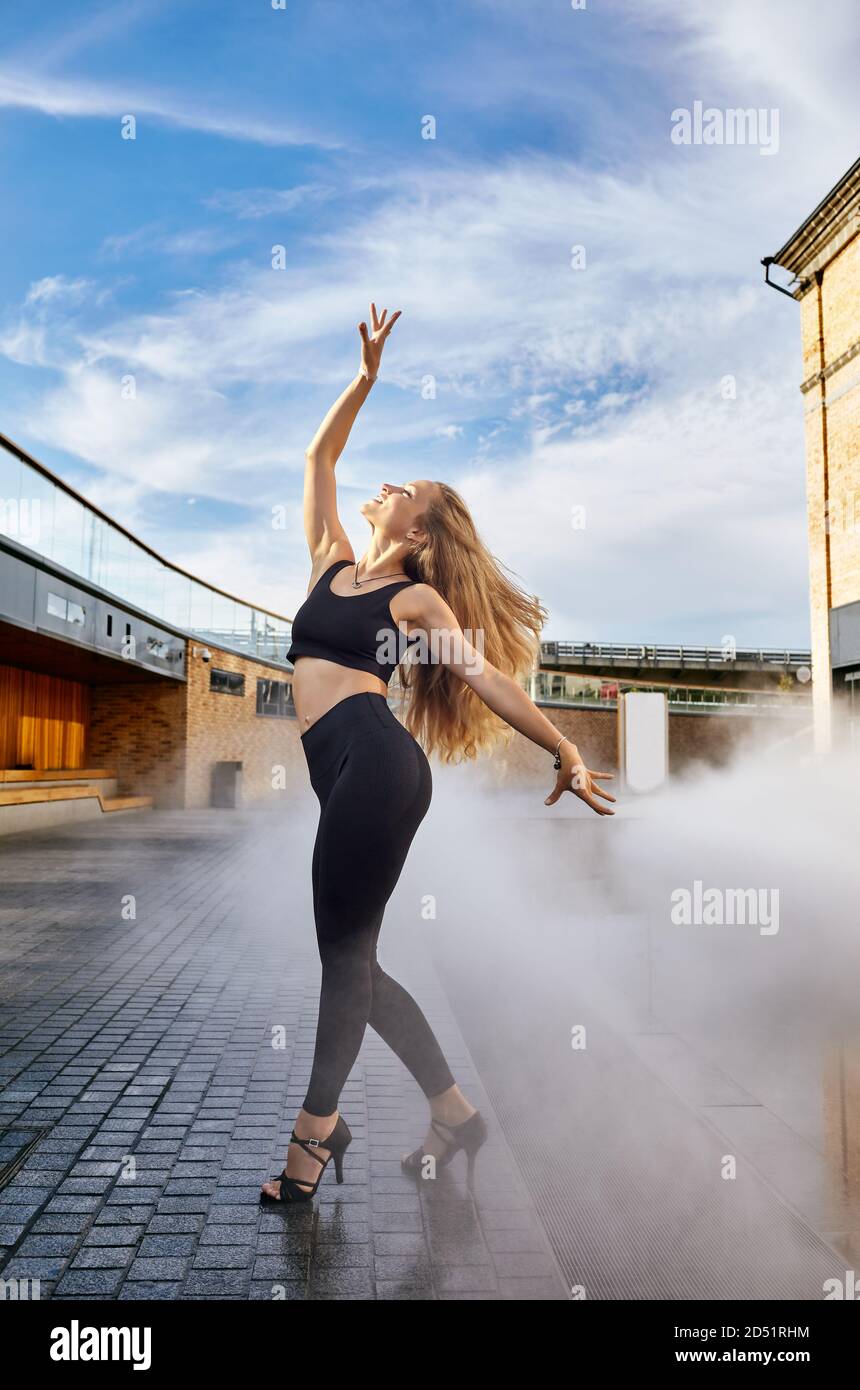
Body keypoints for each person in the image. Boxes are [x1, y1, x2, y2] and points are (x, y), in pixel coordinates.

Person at [261, 304, 615, 1204]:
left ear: (418, 535)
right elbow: (318, 460)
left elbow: (490, 679)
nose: (384, 487)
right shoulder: (329, 562)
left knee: (345, 960)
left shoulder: (415, 605)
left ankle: (314, 1137)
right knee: (358, 964)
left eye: (403, 490)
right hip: (342, 768)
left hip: (378, 767)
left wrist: (562, 745)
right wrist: (367, 379)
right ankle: (455, 1114)